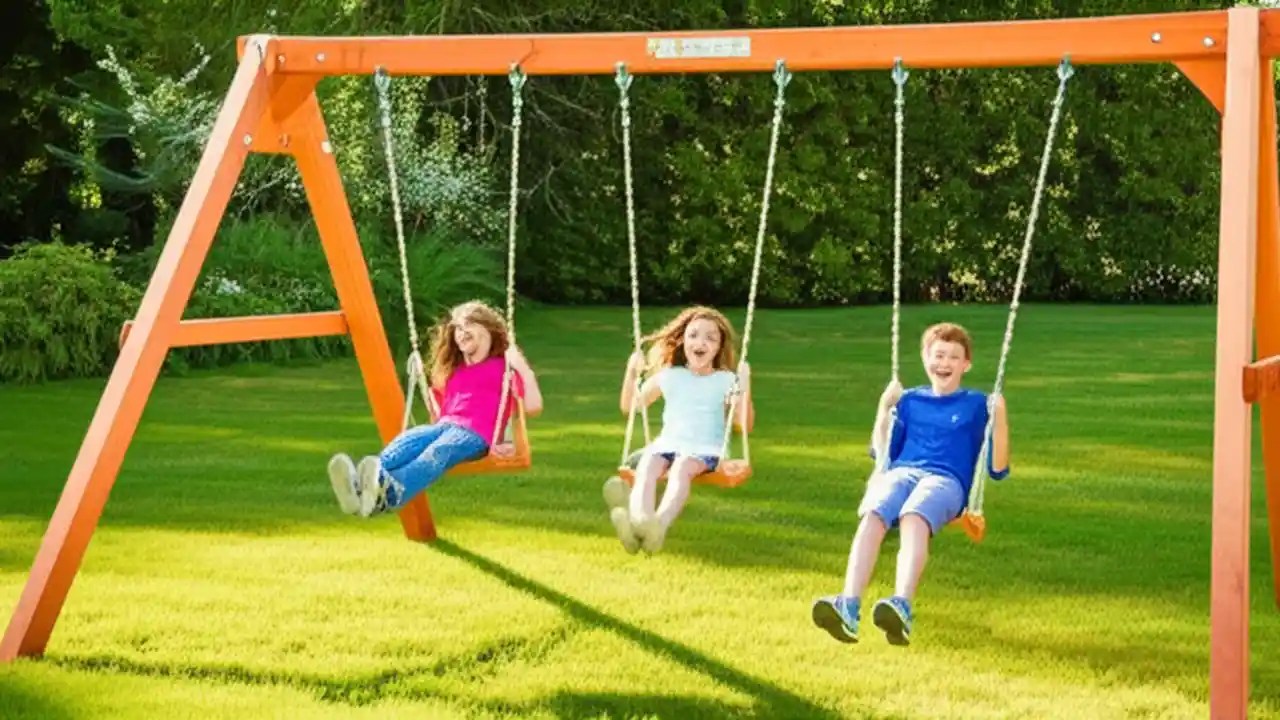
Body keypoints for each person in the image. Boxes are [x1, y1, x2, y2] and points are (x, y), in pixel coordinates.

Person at [812, 322, 1009, 646]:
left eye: (953, 357)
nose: (944, 363)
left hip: (946, 481)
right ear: (925, 358)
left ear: (966, 365)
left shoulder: (977, 404)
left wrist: (1000, 417)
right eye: (938, 355)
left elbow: (998, 467)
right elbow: (881, 452)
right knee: (874, 513)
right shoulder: (910, 400)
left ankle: (901, 605)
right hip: (902, 473)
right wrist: (884, 407)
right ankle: (848, 605)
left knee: (913, 515)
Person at [326, 300, 543, 517]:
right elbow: (439, 412)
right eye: (457, 328)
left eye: (468, 324)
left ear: (487, 328)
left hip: (476, 435)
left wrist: (523, 368)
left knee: (438, 451)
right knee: (409, 441)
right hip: (445, 425)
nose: (461, 332)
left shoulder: (503, 368)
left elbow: (533, 407)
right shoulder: (454, 372)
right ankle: (363, 489)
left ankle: (389, 494)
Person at [602, 306, 753, 554]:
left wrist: (745, 389)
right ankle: (640, 522)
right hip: (667, 444)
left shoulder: (725, 380)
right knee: (648, 463)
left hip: (704, 449)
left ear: (718, 347)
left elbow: (742, 424)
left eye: (710, 337)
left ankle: (658, 526)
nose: (700, 342)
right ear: (682, 341)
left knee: (682, 467)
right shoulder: (670, 376)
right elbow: (631, 407)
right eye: (693, 335)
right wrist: (631, 373)